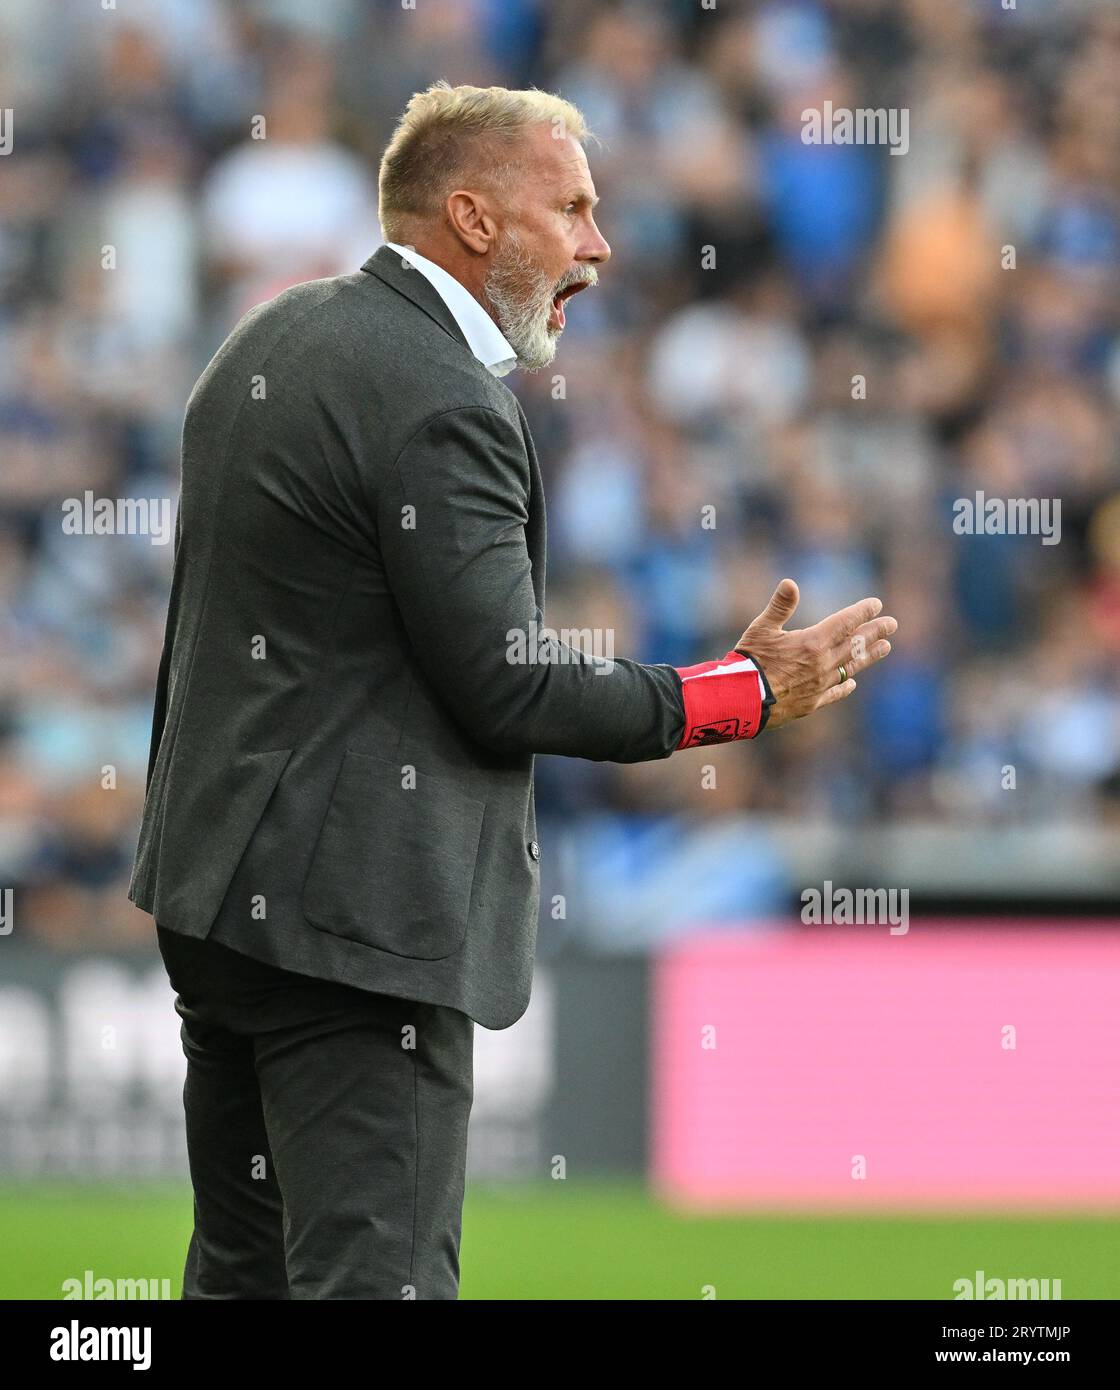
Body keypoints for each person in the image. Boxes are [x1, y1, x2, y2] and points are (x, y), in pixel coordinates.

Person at [129, 82, 897, 1300]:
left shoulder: (269, 341)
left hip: (218, 901)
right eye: (575, 209)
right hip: (356, 931)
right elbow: (507, 684)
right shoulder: (438, 395)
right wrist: (739, 693)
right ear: (475, 218)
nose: (599, 243)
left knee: (243, 1280)